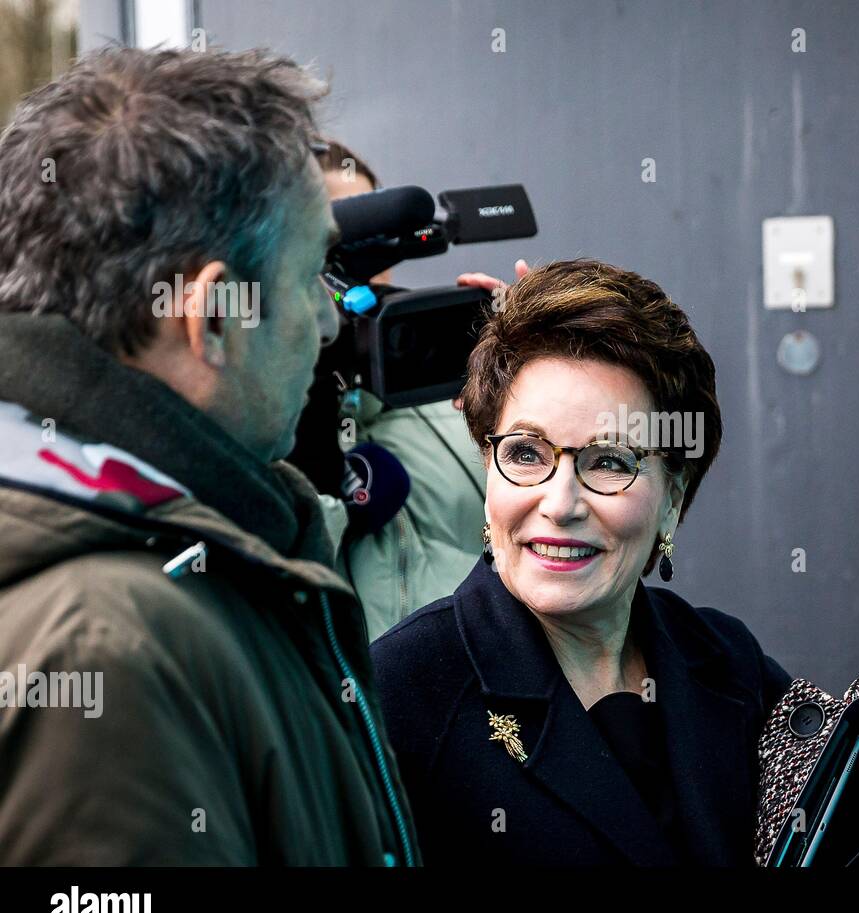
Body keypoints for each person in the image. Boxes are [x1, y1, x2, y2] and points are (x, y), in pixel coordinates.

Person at [0, 46, 418, 865]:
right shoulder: (108, 652)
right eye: (312, 279)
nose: (333, 325)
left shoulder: (165, 562)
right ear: (214, 317)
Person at [371, 259, 793, 865]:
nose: (560, 503)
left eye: (610, 462)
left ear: (673, 500)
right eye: (524, 452)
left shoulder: (730, 664)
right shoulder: (402, 691)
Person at [303, 140, 526, 640]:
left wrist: (534, 383)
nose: (350, 267)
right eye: (328, 242)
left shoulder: (458, 406)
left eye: (367, 242)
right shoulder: (260, 423)